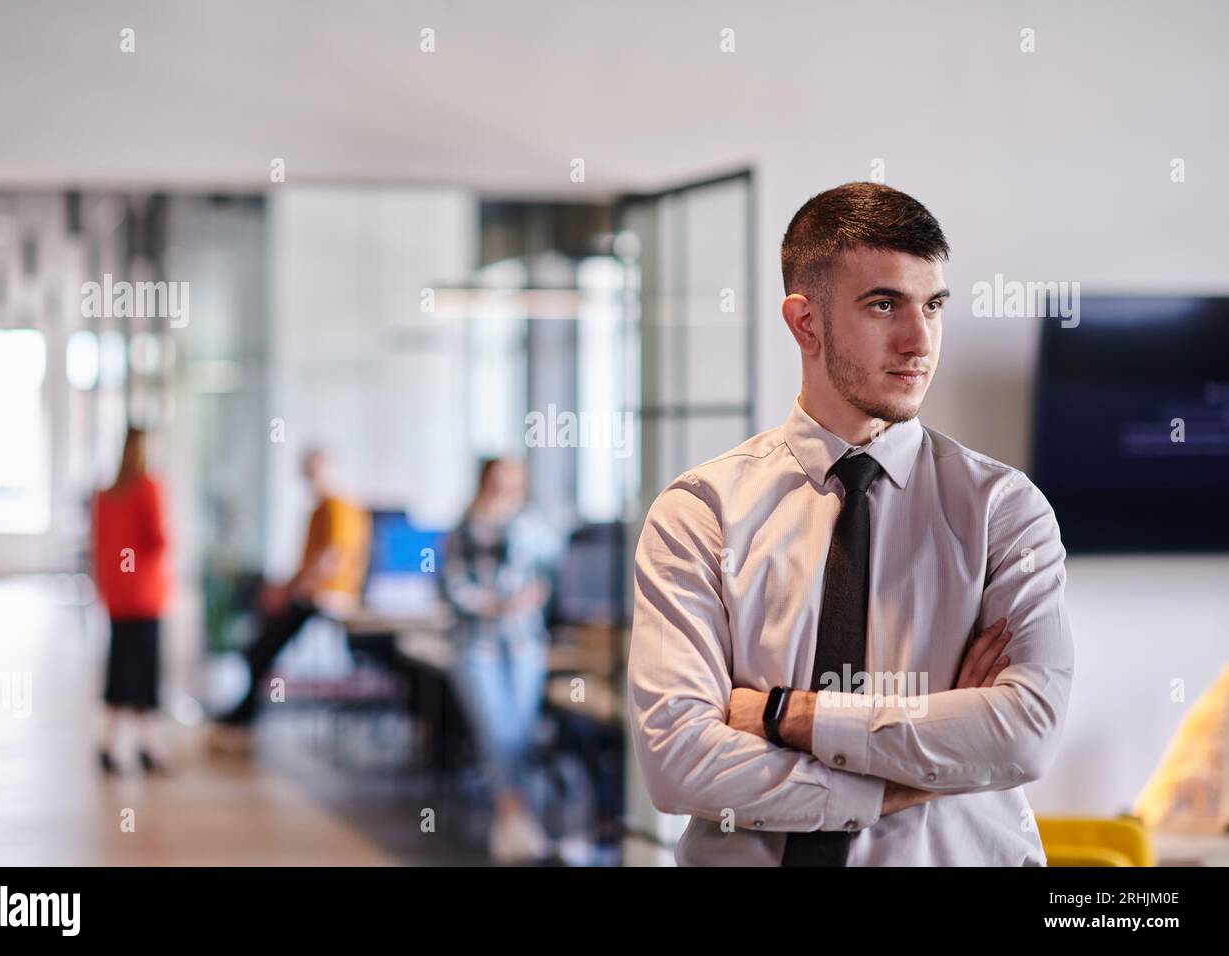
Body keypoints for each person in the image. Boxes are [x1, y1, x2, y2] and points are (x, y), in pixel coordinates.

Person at [627, 182, 1075, 866]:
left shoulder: (1002, 513)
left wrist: (785, 716)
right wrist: (911, 772)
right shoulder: (701, 514)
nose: (918, 340)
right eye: (884, 304)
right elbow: (679, 764)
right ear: (806, 322)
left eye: (933, 306)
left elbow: (1023, 735)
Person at [440, 458, 562, 864]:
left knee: (520, 735)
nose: (505, 487)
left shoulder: (532, 523)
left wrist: (526, 599)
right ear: (485, 480)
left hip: (525, 644)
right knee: (495, 732)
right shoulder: (464, 528)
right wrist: (495, 605)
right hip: (478, 644)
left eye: (514, 480)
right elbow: (453, 587)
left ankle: (515, 819)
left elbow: (548, 571)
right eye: (499, 479)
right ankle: (513, 815)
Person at [211, 448, 371, 742]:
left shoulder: (340, 507)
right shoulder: (318, 510)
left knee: (268, 640)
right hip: (310, 593)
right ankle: (246, 703)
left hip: (330, 596)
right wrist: (283, 588)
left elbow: (330, 561)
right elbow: (308, 563)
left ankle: (247, 709)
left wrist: (290, 591)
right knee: (261, 620)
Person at [91, 427, 173, 774]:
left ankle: (112, 744)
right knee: (146, 672)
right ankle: (148, 746)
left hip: (118, 594)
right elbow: (158, 539)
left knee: (120, 668)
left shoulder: (106, 495)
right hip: (145, 595)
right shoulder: (149, 488)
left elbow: (100, 545)